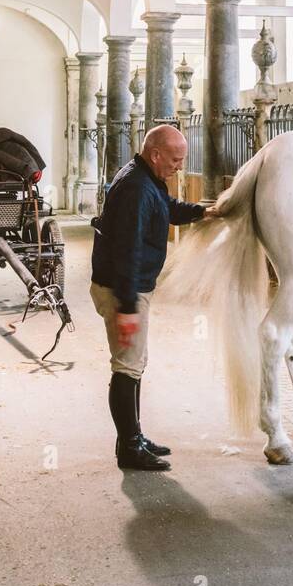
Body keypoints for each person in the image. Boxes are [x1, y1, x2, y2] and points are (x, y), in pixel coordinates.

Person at [90, 124, 217, 471]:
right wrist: (128, 308)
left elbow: (167, 208)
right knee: (127, 367)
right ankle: (130, 448)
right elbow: (127, 252)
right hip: (122, 290)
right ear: (156, 154)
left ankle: (133, 437)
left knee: (134, 364)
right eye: (175, 160)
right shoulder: (136, 189)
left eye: (182, 160)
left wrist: (199, 212)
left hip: (127, 287)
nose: (179, 166)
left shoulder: (146, 179)